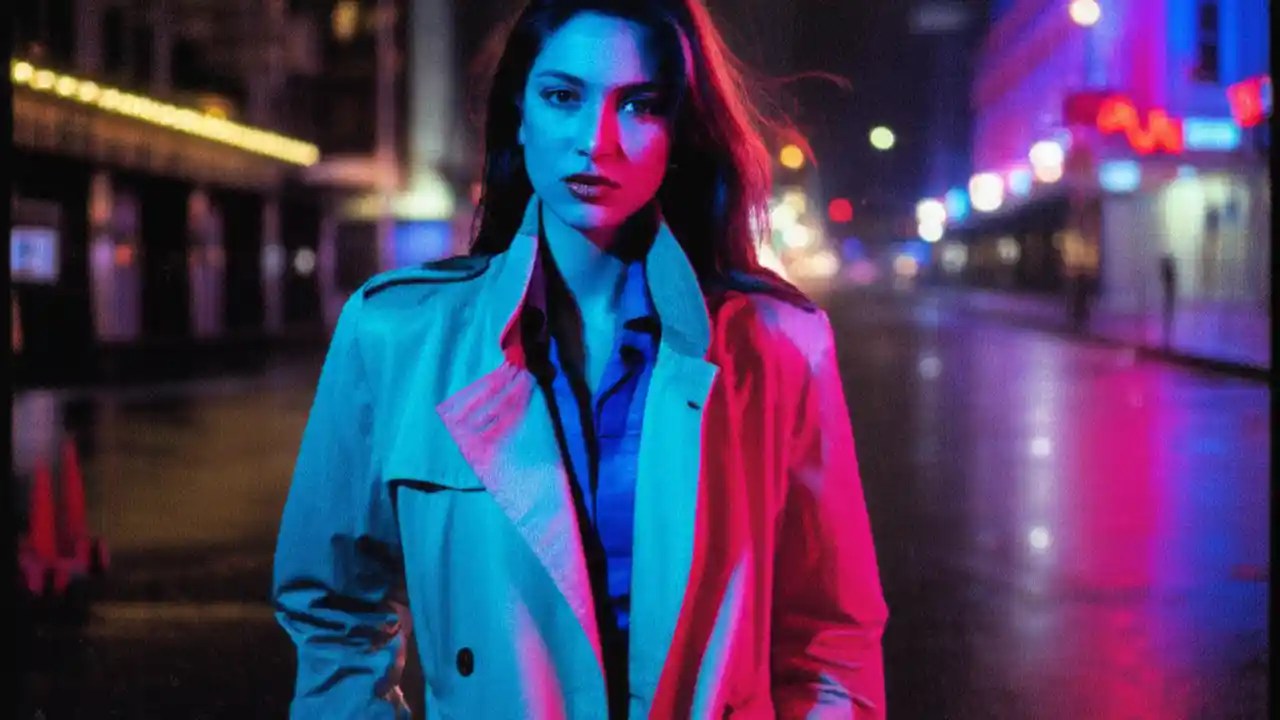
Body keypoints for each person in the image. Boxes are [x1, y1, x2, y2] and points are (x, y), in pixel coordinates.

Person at [272, 1, 888, 718]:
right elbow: (332, 603)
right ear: (521, 116)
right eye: (563, 96)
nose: (596, 141)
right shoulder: (396, 334)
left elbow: (828, 633)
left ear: (678, 130)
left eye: (640, 105)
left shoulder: (778, 345)